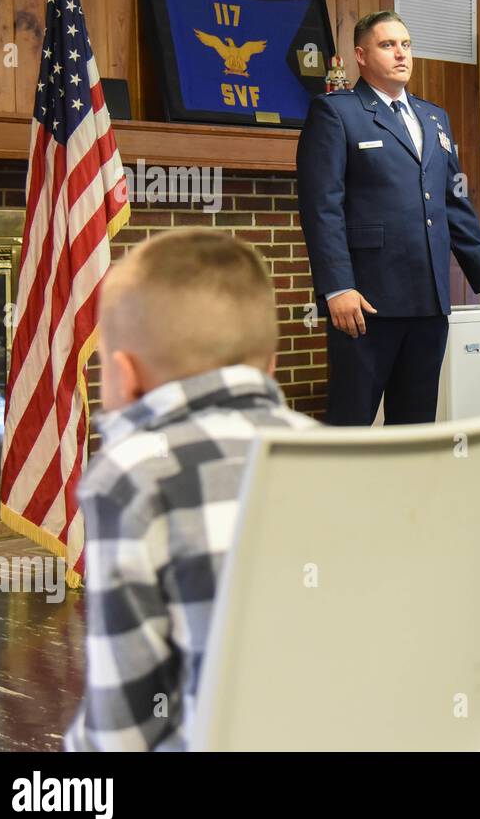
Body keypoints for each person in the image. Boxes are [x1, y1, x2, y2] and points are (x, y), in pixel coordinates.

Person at [64, 230, 316, 751]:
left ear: (123, 377)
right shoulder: (331, 451)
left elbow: (121, 729)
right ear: (269, 365)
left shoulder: (130, 476)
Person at [296, 10, 480, 426]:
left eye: (406, 44)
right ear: (361, 56)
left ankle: (404, 494)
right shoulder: (336, 113)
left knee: (415, 426)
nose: (401, 53)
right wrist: (337, 287)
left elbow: (454, 202)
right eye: (388, 45)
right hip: (365, 300)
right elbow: (321, 207)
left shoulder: (434, 117)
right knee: (350, 423)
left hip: (428, 300)